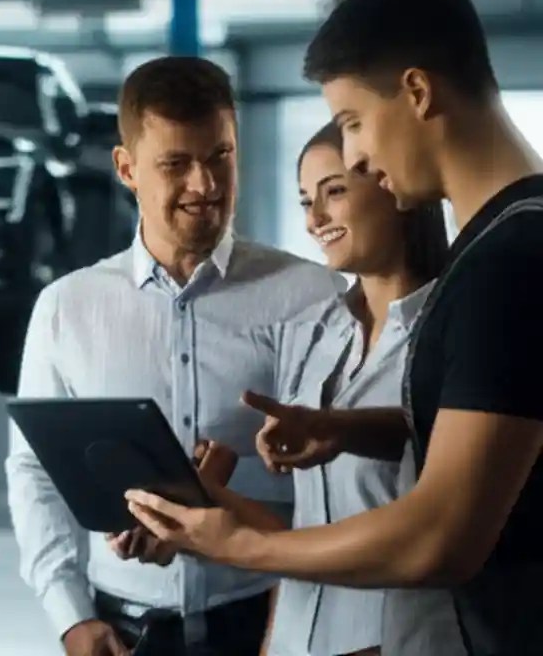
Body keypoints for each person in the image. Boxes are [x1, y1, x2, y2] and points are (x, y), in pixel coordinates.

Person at [120, 0, 543, 656]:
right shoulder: (508, 241)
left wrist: (248, 547)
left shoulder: (507, 262)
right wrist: (353, 429)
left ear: (416, 91)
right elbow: (504, 429)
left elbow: (441, 538)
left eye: (352, 122)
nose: (357, 155)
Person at [6, 55, 344, 656]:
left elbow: (341, 485)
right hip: (124, 631)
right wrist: (70, 615)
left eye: (220, 157)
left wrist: (208, 500)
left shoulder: (312, 295)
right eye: (176, 164)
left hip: (274, 624)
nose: (205, 185)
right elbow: (34, 472)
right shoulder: (65, 308)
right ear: (126, 168)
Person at [116, 121, 462, 656]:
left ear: (393, 185)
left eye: (335, 192)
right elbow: (301, 532)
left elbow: (451, 537)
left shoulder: (455, 332)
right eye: (305, 200)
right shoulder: (316, 335)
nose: (314, 219)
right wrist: (199, 505)